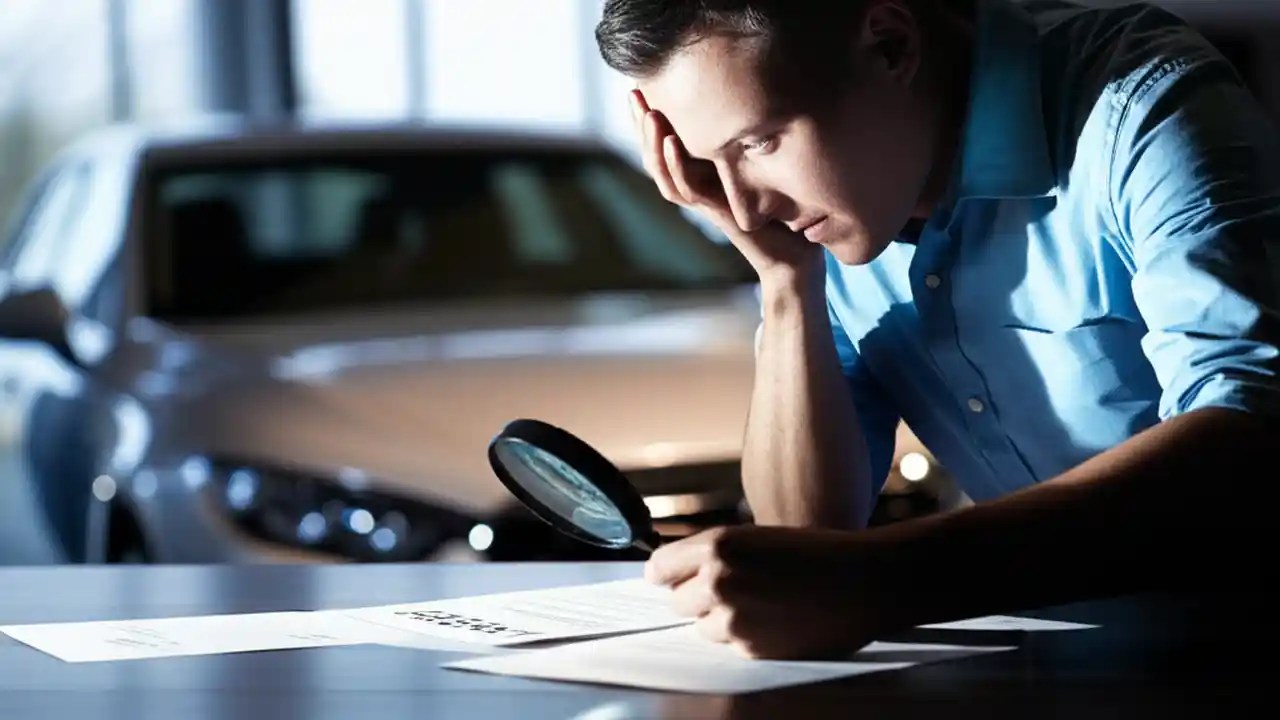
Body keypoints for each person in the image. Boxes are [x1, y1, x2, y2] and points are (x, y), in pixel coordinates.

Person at [593, 0, 1280, 659]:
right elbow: (805, 544)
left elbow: (1249, 436)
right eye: (712, 163)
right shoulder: (821, 218)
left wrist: (885, 581)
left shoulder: (1142, 105)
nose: (745, 209)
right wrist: (785, 286)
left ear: (891, 46)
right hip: (1058, 672)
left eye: (761, 141)